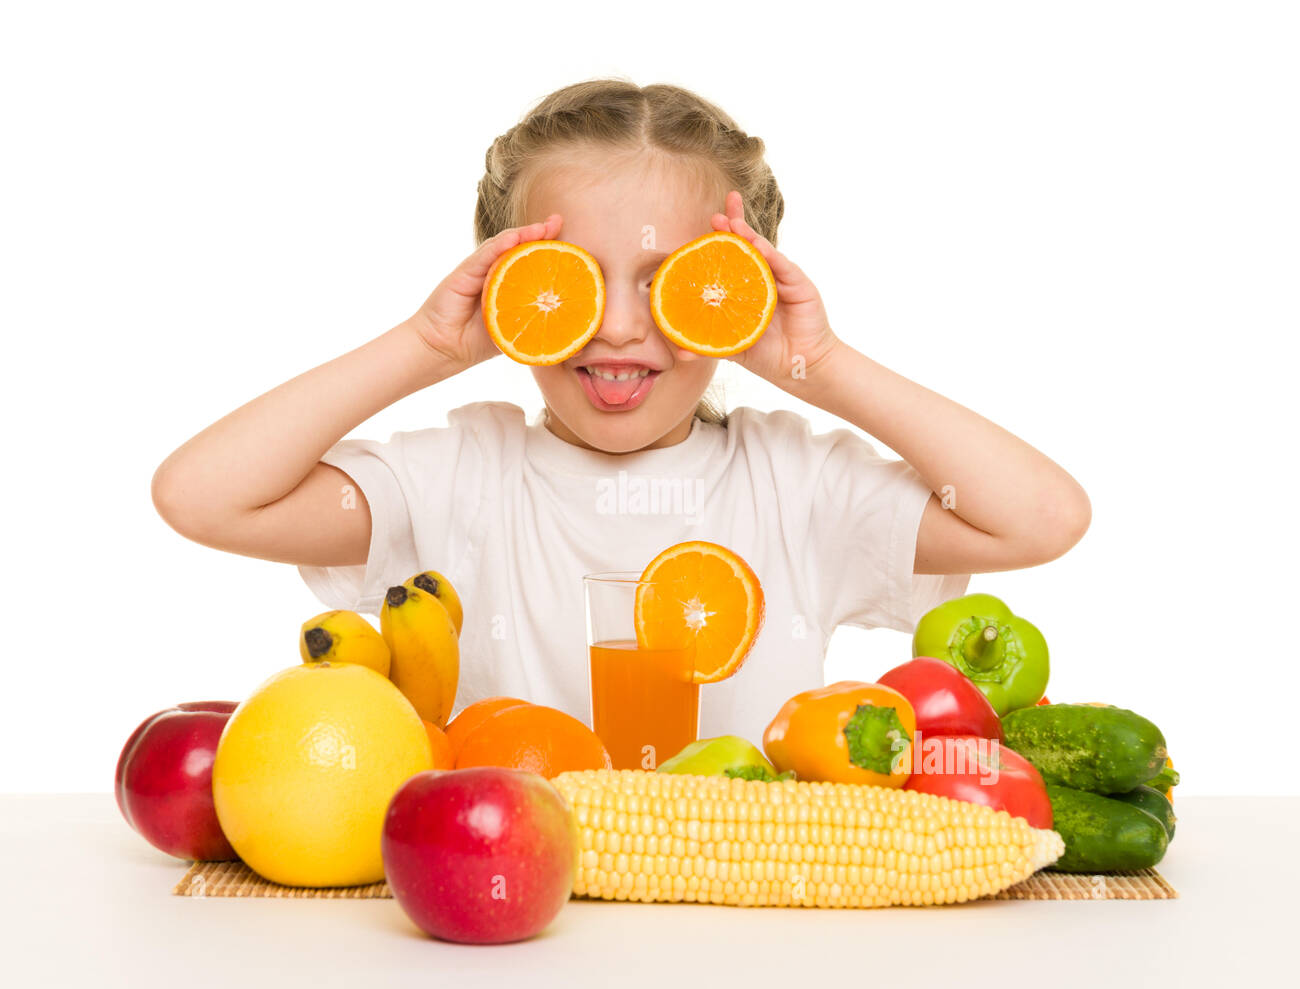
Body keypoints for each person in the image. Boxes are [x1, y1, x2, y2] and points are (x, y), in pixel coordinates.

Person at [151, 78, 1090, 744]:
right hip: (508, 914)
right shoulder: (458, 478)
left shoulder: (797, 485)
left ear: (734, 291)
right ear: (506, 288)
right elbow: (202, 497)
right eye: (567, 284)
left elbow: (1043, 519)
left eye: (667, 281)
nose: (616, 327)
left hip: (734, 931)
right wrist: (427, 347)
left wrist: (822, 366)